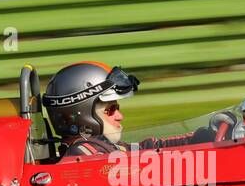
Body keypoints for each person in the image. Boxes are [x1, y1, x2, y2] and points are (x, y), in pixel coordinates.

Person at [42, 62, 194, 158]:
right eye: (111, 109)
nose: (120, 116)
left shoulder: (103, 146)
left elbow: (148, 149)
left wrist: (200, 136)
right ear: (83, 115)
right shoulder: (84, 155)